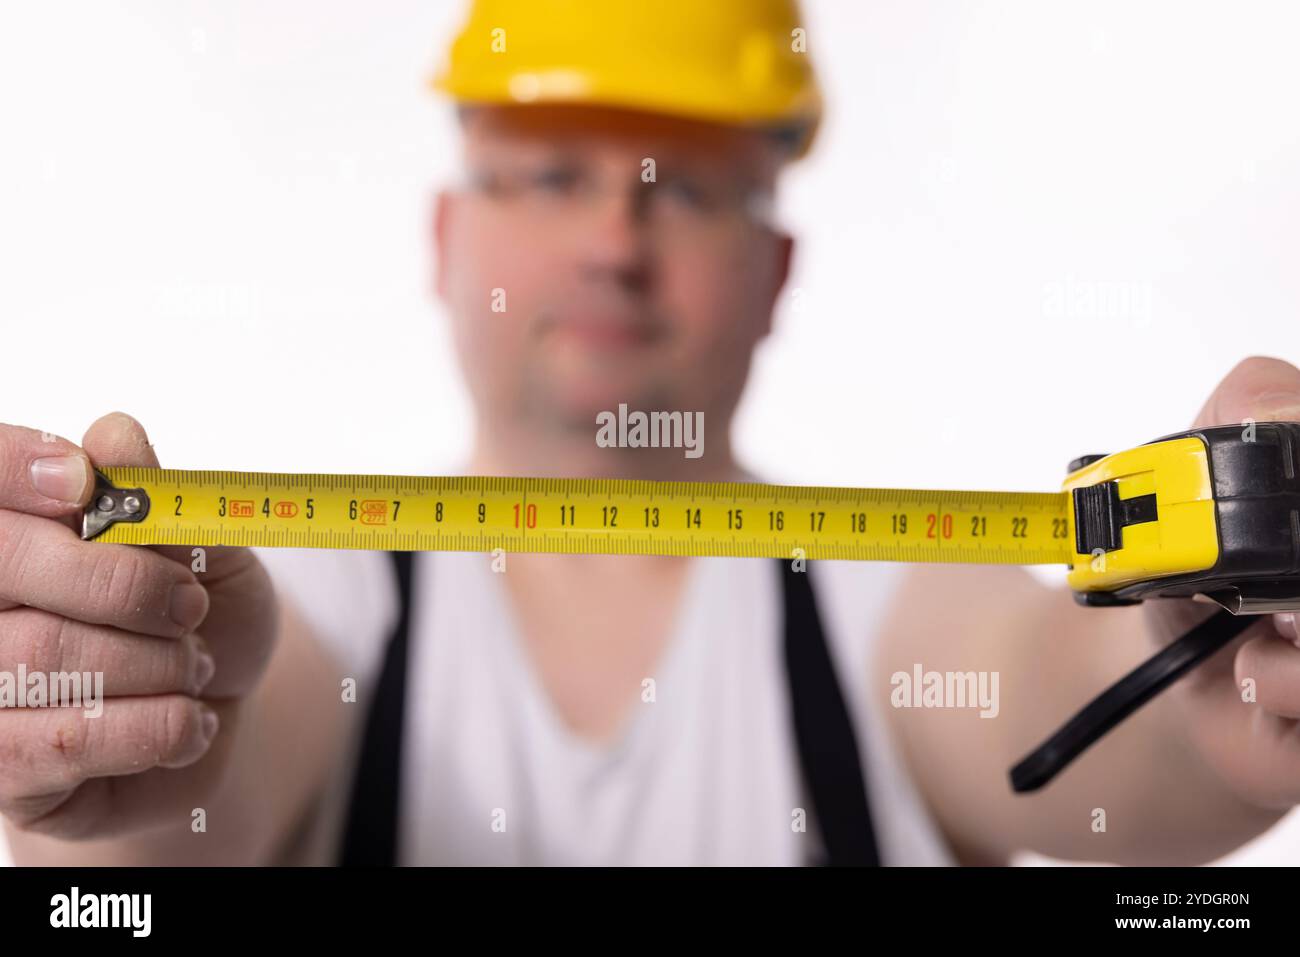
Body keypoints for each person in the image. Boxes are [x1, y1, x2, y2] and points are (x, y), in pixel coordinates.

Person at [3, 0, 1298, 866]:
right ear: (448, 243)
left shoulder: (888, 609)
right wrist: (121, 716)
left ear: (779, 270)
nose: (615, 242)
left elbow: (1062, 697)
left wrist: (1211, 665)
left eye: (683, 188)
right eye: (555, 173)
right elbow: (197, 800)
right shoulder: (320, 612)